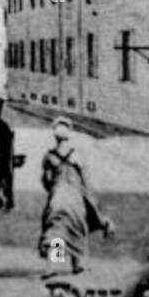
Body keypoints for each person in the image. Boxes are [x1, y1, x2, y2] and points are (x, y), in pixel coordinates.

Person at [38, 117, 113, 274]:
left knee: (57, 229)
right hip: (75, 199)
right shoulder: (78, 156)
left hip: (57, 199)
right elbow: (86, 183)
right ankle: (78, 264)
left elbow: (47, 181)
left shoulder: (49, 157)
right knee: (77, 228)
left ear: (55, 136)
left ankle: (55, 265)